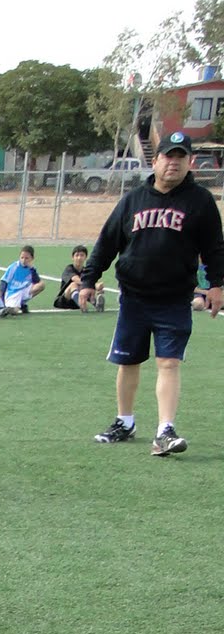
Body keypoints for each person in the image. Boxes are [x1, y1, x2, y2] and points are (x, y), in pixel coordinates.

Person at [83, 130, 224, 456]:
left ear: (190, 162)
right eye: (167, 156)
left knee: (168, 362)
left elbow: (215, 248)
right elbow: (108, 242)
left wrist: (217, 285)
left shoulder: (200, 201)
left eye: (180, 157)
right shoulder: (133, 199)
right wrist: (89, 279)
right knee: (128, 361)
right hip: (133, 297)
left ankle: (165, 430)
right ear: (156, 160)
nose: (173, 163)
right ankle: (125, 421)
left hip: (174, 298)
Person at [54, 246, 104, 312]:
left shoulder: (86, 271)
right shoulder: (69, 269)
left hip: (78, 302)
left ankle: (96, 304)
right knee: (74, 284)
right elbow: (77, 280)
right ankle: (82, 305)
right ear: (73, 257)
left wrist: (98, 287)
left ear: (86, 257)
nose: (79, 258)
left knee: (93, 287)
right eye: (77, 255)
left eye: (82, 255)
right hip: (64, 301)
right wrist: (93, 284)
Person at [0, 246, 45, 313]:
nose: (24, 260)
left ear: (32, 258)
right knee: (15, 311)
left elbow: (36, 281)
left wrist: (32, 269)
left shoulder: (31, 269)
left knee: (42, 285)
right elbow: (4, 282)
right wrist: (2, 300)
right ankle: (9, 309)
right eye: (22, 258)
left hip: (24, 290)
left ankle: (21, 303)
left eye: (27, 258)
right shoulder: (13, 267)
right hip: (14, 292)